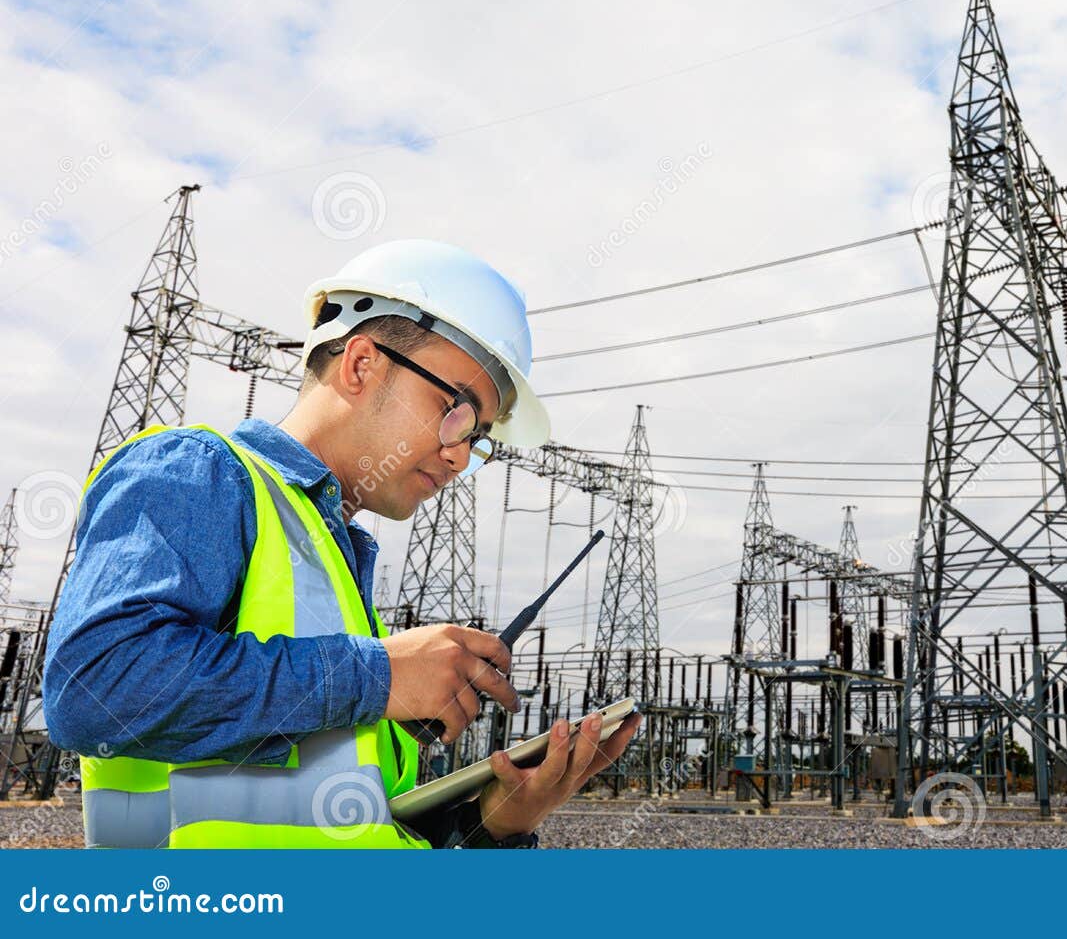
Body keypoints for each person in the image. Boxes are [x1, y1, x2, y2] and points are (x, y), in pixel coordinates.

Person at [43, 239, 639, 848]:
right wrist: (381, 675)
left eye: (479, 437)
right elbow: (91, 690)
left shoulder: (336, 574)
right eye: (456, 411)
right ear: (360, 364)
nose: (461, 454)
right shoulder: (201, 474)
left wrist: (498, 820)